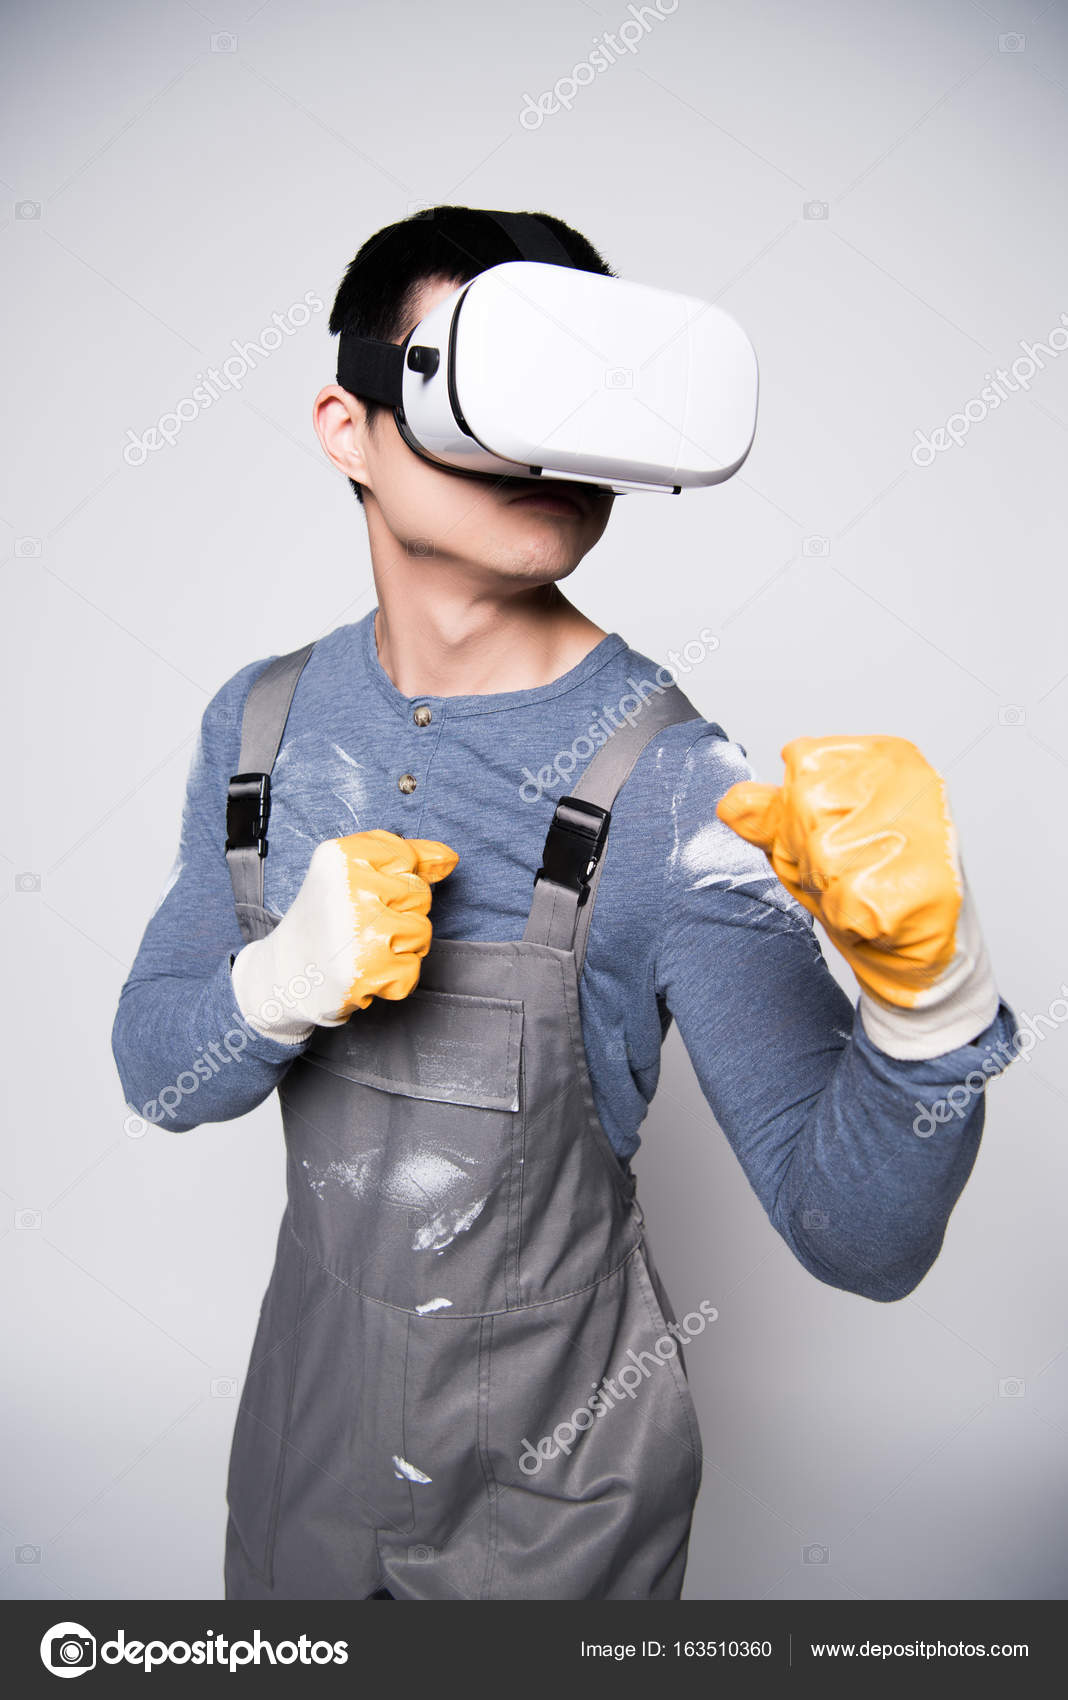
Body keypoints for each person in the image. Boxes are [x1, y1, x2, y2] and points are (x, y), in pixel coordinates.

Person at [111, 205, 1019, 1602]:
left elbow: (865, 1243)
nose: (541, 442)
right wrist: (277, 985)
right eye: (498, 381)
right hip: (302, 1465)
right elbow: (159, 1072)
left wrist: (929, 999)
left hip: (556, 1521)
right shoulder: (262, 728)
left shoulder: (671, 787)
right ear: (346, 423)